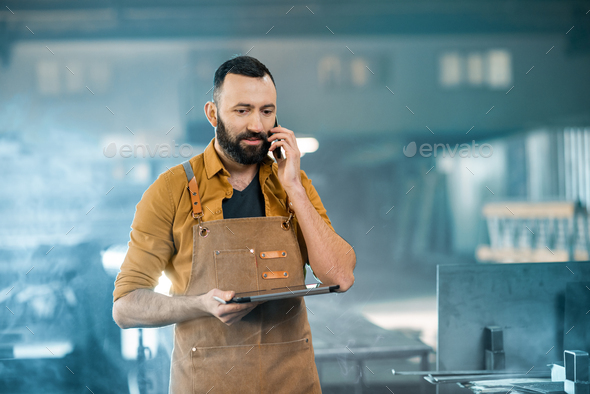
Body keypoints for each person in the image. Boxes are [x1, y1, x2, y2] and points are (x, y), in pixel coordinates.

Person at [112, 55, 356, 393]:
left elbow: (340, 276)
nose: (257, 125)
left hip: (291, 382)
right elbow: (126, 307)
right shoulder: (171, 191)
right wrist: (199, 305)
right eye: (242, 111)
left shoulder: (292, 185)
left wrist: (295, 189)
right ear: (213, 114)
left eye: (267, 111)